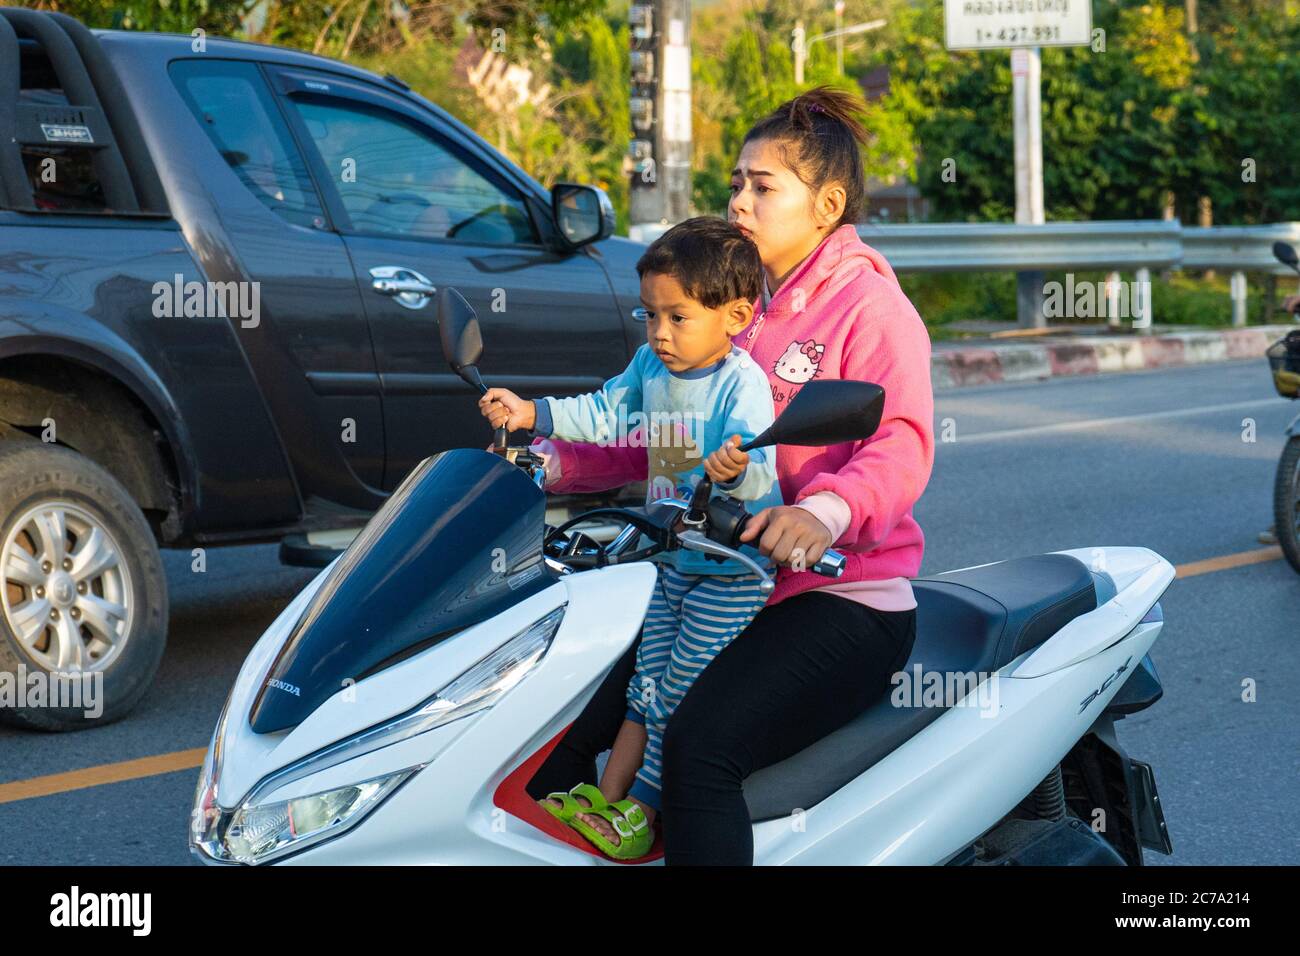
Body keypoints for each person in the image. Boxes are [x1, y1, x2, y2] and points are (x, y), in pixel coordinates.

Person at [525, 85, 936, 865]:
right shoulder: (730, 302)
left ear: (828, 204)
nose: (740, 200)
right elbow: (660, 430)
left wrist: (823, 512)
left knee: (699, 746)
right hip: (706, 576)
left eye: (764, 185)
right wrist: (548, 463)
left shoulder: (869, 310)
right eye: (737, 182)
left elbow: (901, 445)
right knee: (559, 721)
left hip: (835, 598)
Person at [479, 217, 784, 858]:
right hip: (673, 560)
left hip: (731, 573)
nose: (660, 334)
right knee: (645, 685)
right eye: (650, 316)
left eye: (677, 318)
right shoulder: (649, 366)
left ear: (734, 316)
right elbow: (607, 411)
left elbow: (760, 465)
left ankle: (642, 812)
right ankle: (608, 800)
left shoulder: (742, 383)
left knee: (677, 693)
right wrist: (533, 414)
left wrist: (737, 465)